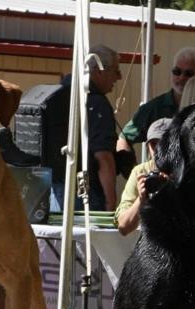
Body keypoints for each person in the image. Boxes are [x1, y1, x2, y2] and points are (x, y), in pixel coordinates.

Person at [54, 44, 121, 212]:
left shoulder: (61, 95)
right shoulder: (97, 104)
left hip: (55, 190)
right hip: (85, 192)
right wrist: (110, 202)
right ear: (99, 71)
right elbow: (103, 157)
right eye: (115, 71)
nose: (119, 77)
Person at [116, 46, 195, 156]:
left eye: (188, 73)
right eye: (177, 71)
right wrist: (130, 165)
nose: (181, 77)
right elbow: (124, 138)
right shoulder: (154, 107)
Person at [114, 118, 170, 235]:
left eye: (163, 144)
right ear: (148, 147)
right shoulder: (141, 172)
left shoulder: (188, 171)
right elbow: (123, 227)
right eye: (154, 144)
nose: (158, 150)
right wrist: (141, 200)